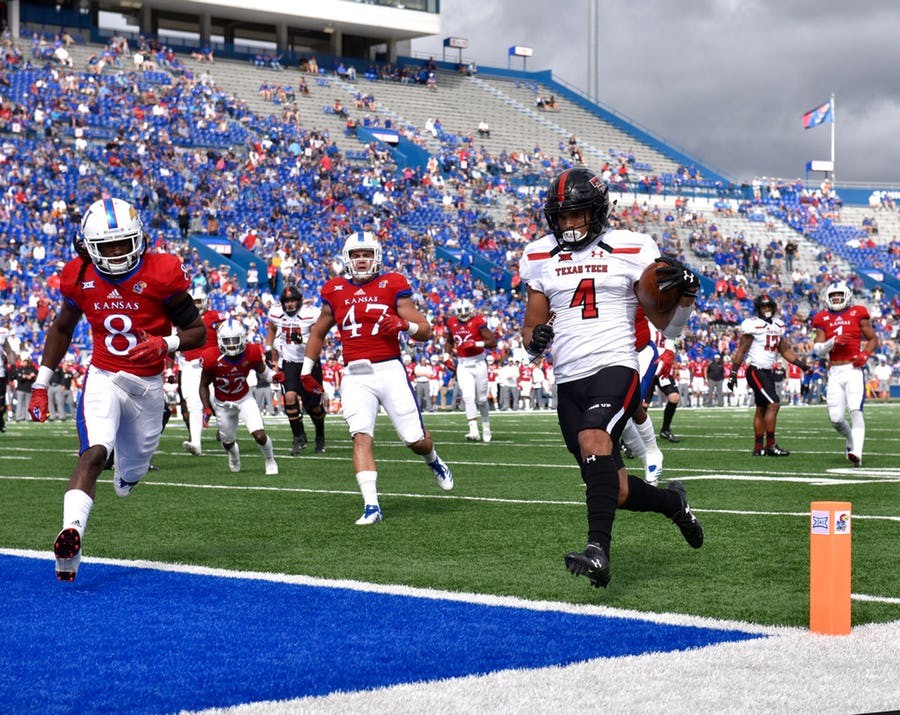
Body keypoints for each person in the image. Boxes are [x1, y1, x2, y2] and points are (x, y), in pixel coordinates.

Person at [519, 167, 703, 589]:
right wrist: (536, 339)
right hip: (569, 380)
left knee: (593, 438)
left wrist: (687, 297)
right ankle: (673, 502)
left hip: (616, 364)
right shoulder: (537, 254)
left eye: (577, 214)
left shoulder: (633, 247)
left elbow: (668, 327)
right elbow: (529, 333)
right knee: (615, 489)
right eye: (561, 216)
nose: (568, 224)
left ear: (597, 211)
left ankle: (597, 551)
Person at [28, 197, 205, 581]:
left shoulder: (163, 272)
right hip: (104, 375)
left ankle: (126, 476)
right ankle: (70, 538)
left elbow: (197, 331)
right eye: (106, 246)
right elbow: (61, 327)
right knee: (94, 454)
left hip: (148, 384)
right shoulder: (79, 276)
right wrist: (41, 383)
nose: (115, 253)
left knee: (132, 472)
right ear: (89, 247)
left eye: (122, 243)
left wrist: (165, 344)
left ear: (138, 238)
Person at [300, 230, 454, 525]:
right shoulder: (334, 289)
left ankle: (432, 459)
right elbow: (318, 332)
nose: (361, 260)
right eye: (356, 255)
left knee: (414, 440)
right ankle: (372, 506)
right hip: (354, 374)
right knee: (360, 436)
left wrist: (402, 325)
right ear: (347, 259)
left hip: (389, 369)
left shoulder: (392, 284)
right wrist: (306, 371)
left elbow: (425, 330)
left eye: (366, 254)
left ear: (377, 257)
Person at [728, 293, 810, 456]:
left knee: (761, 408)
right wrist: (733, 373)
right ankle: (770, 445)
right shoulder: (752, 325)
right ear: (758, 309)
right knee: (774, 404)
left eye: (769, 306)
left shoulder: (778, 325)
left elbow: (784, 350)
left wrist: (801, 364)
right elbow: (742, 350)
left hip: (767, 371)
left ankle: (758, 448)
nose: (767, 309)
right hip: (755, 370)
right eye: (763, 307)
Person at [200, 318, 282, 476]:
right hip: (223, 403)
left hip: (244, 398)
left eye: (234, 340)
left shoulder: (251, 351)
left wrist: (274, 377)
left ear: (242, 338)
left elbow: (263, 372)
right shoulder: (211, 357)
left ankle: (270, 459)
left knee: (259, 435)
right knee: (227, 442)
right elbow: (203, 384)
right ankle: (233, 454)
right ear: (220, 341)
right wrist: (207, 407)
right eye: (227, 341)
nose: (231, 345)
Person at [810, 281, 879, 465]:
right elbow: (818, 349)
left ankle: (857, 453)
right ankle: (850, 440)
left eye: (840, 295)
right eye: (833, 296)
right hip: (834, 371)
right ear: (827, 298)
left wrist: (865, 354)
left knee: (856, 411)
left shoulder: (858, 313)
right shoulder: (821, 318)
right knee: (836, 418)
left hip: (853, 369)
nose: (837, 299)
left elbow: (873, 339)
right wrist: (833, 342)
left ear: (847, 296)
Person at [266, 285, 327, 454]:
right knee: (290, 397)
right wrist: (267, 347)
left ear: (299, 301)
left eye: (293, 301)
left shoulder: (311, 314)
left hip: (309, 363)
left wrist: (303, 341)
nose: (290, 305)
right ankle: (298, 437)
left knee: (314, 406)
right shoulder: (276, 313)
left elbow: (323, 341)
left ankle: (320, 436)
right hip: (290, 363)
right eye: (287, 301)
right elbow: (272, 327)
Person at [178, 287, 226, 455]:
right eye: (194, 302)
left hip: (211, 365)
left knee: (217, 401)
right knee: (193, 405)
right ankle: (196, 443)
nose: (197, 305)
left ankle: (226, 437)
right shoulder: (183, 318)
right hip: (190, 366)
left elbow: (227, 335)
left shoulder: (215, 317)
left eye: (199, 301)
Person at [444, 298, 498, 442]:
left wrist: (476, 343)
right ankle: (473, 431)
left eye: (465, 311)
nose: (463, 314)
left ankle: (486, 427)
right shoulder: (452, 322)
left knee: (481, 399)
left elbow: (492, 341)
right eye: (460, 311)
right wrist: (446, 356)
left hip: (479, 362)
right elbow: (449, 341)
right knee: (468, 397)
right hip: (463, 364)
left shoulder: (478, 321)